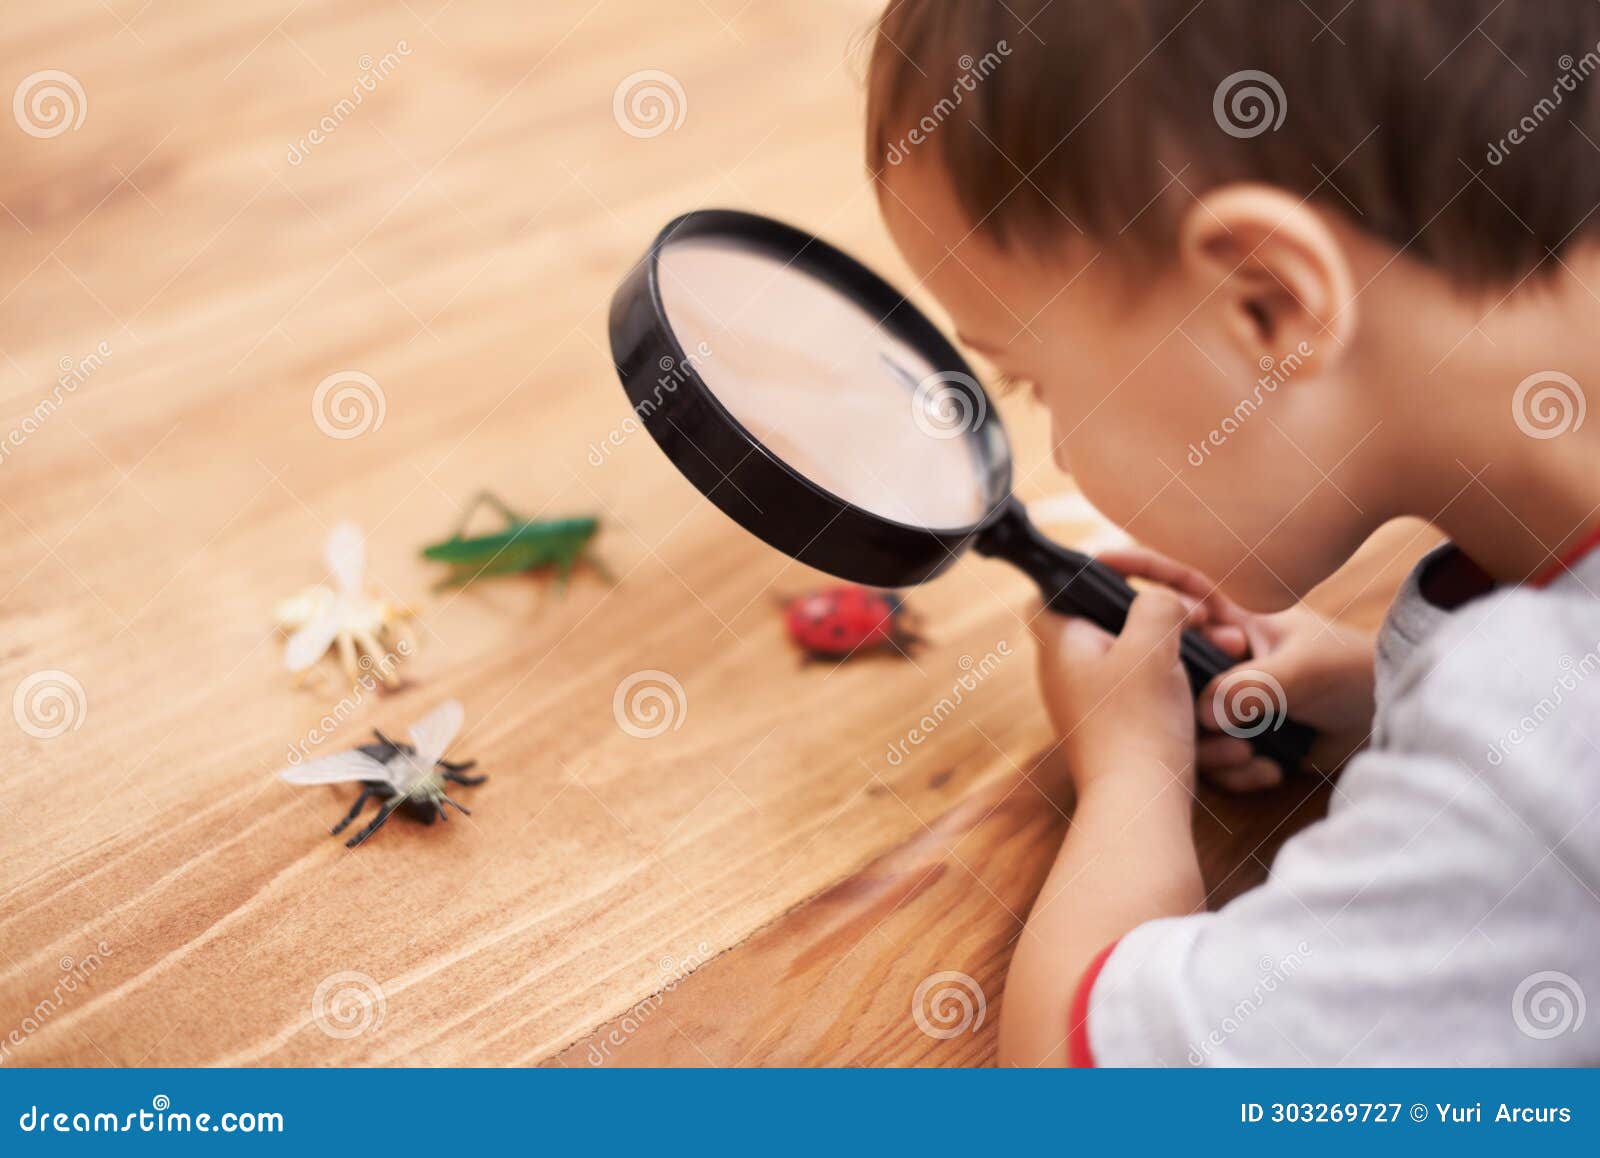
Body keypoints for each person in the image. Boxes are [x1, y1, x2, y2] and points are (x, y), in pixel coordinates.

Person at [866, 0, 1600, 1065]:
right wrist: (1385, 694)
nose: (1057, 452)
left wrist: (1131, 772)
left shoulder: (1541, 764)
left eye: (1032, 380)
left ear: (1264, 304)